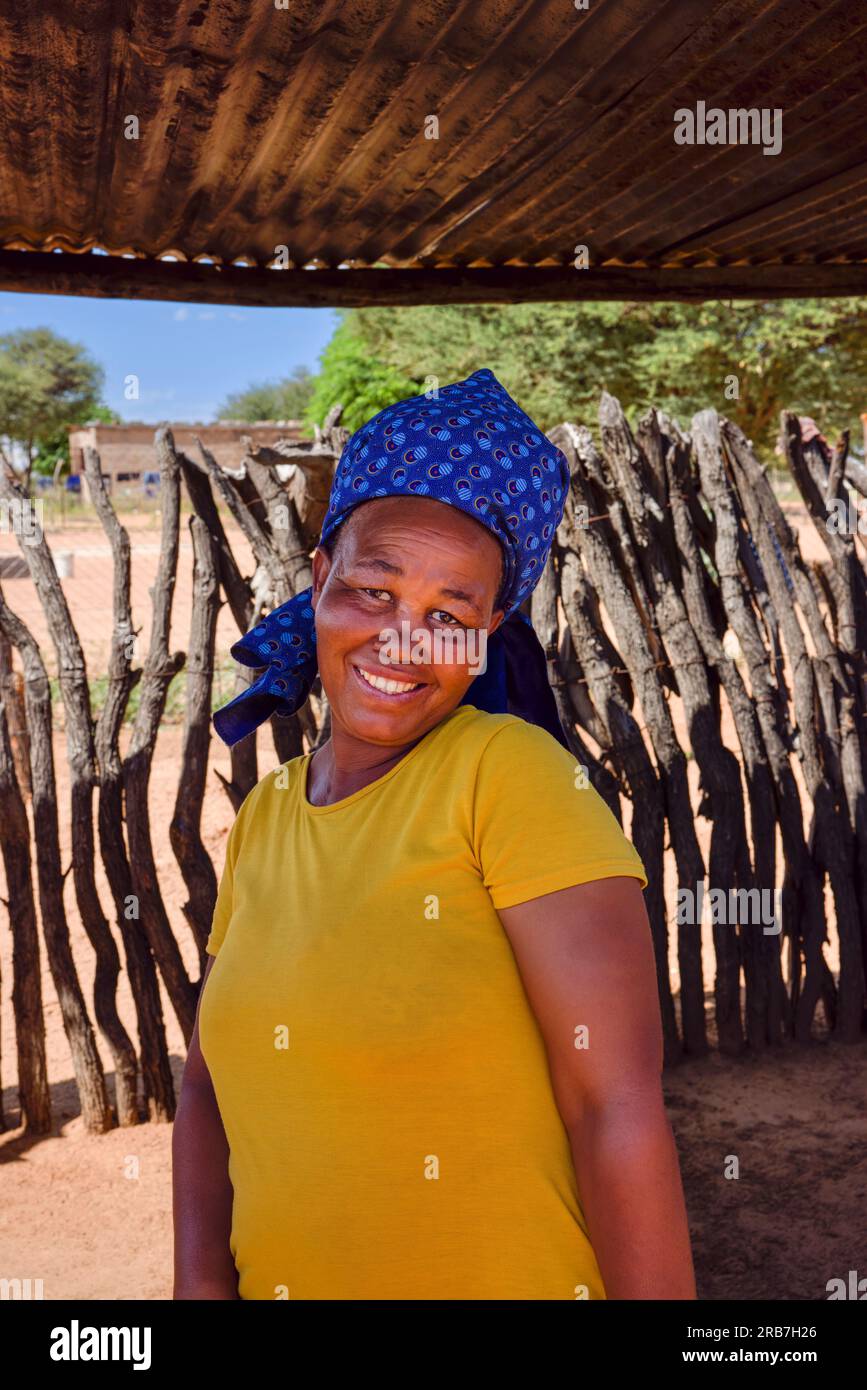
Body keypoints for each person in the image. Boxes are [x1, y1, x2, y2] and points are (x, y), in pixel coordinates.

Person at [172, 368, 696, 1300]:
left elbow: (612, 1107)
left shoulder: (511, 779)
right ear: (321, 574)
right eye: (374, 591)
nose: (403, 642)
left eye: (448, 615)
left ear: (491, 630)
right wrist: (200, 1287)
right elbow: (209, 1092)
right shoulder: (265, 818)